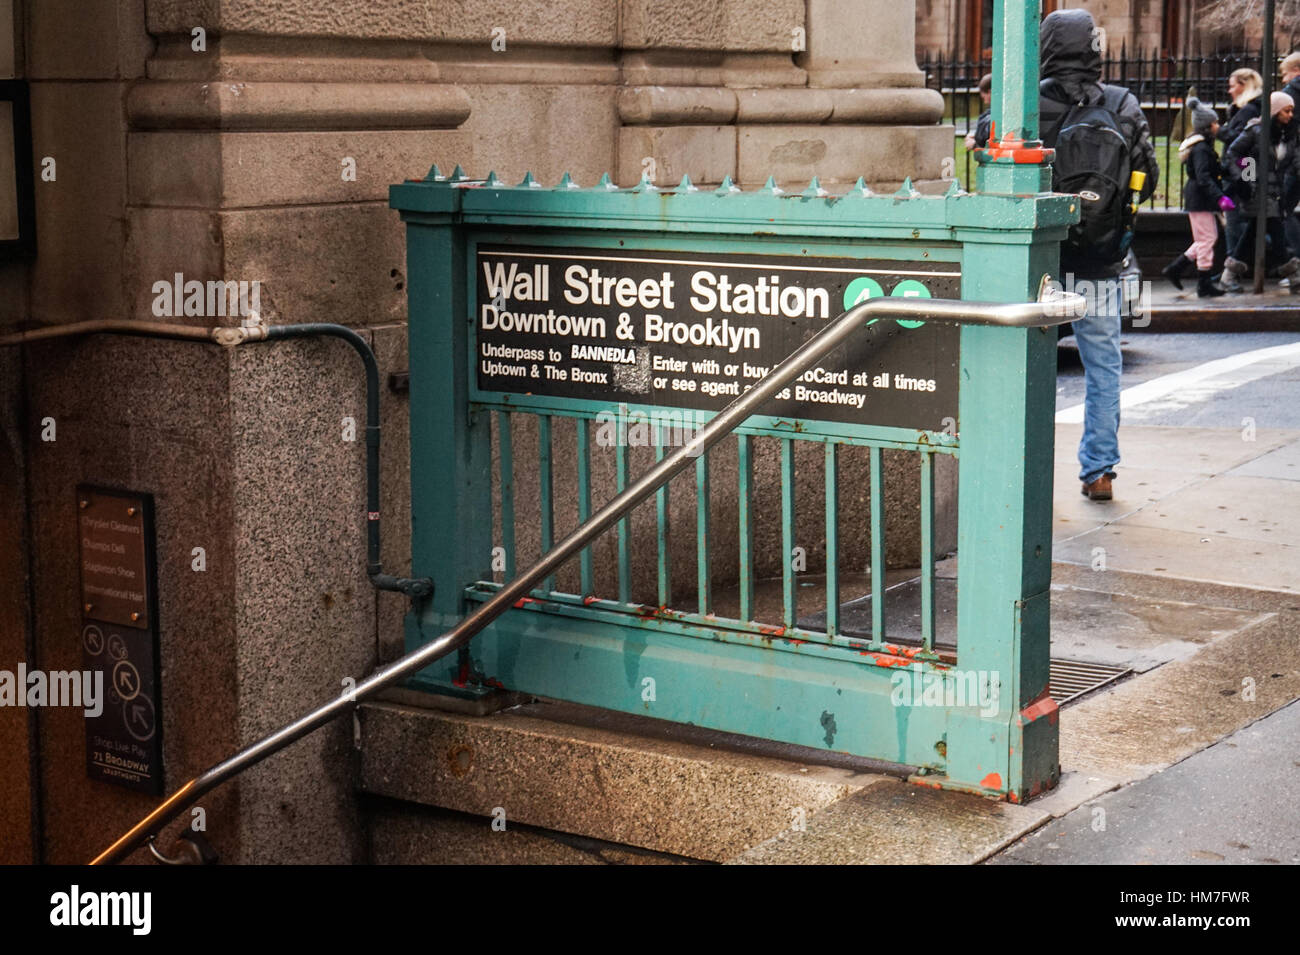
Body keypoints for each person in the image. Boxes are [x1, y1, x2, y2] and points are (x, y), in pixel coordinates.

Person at [1038, 8, 1158, 502]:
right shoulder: (1122, 103)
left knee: (1021, 362)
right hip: (1101, 259)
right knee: (1103, 366)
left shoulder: (1028, 103)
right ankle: (1099, 471)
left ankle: (1020, 466)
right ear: (1095, 50)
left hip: (1038, 256)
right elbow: (1148, 179)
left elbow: (986, 154)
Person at [1222, 93, 1300, 284]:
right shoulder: (1256, 130)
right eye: (1286, 111)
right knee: (1275, 228)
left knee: (1254, 230)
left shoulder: (1289, 135)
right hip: (1255, 189)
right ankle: (1293, 274)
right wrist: (1246, 176)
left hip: (1276, 191)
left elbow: (1295, 160)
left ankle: (1230, 273)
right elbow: (1233, 154)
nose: (1290, 115)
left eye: (1292, 111)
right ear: (1274, 111)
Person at [1162, 98, 1233, 297]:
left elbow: (1215, 170)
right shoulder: (1201, 148)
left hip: (1199, 198)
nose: (1218, 126)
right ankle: (1203, 283)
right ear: (1208, 126)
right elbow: (1203, 177)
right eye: (1215, 123)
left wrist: (1241, 166)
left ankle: (1176, 268)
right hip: (1200, 198)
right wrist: (1220, 197)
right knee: (1208, 239)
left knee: (1205, 238)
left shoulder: (1204, 147)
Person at [1217, 68, 1265, 290]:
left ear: (1245, 86)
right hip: (1245, 170)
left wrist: (1218, 131)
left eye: (1233, 85)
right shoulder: (1247, 110)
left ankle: (1231, 273)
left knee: (1236, 221)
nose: (1229, 90)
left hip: (1242, 171)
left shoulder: (1248, 111)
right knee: (1244, 220)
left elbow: (1240, 141)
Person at [964, 74, 993, 151]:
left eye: (984, 97)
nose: (985, 102)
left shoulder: (991, 117)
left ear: (990, 92)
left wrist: (974, 145)